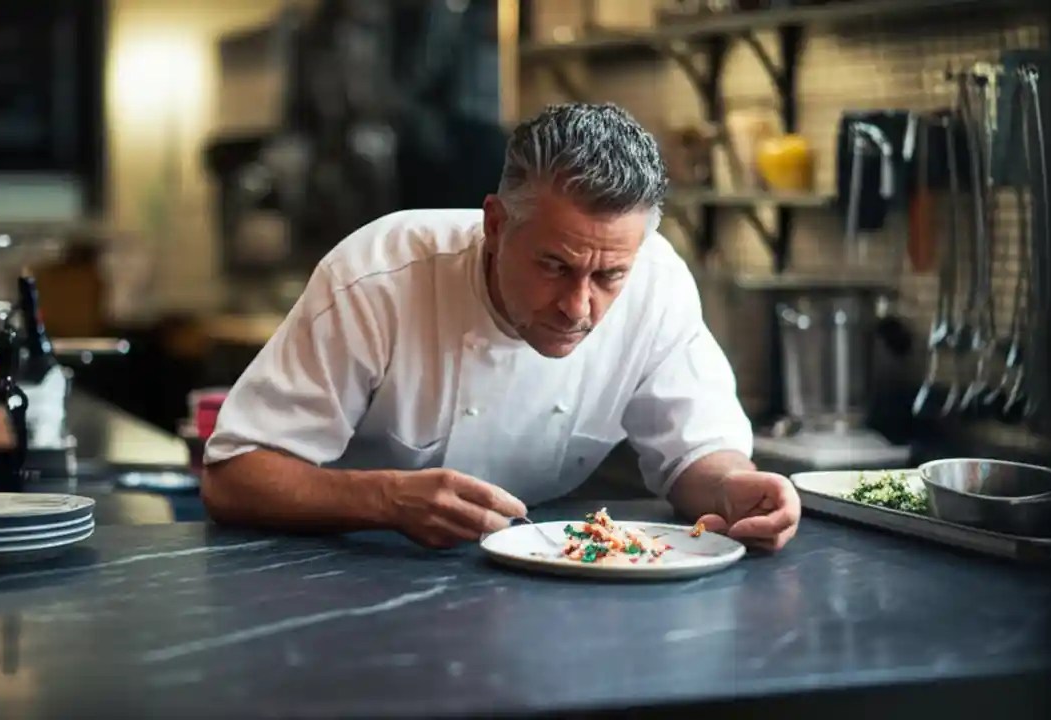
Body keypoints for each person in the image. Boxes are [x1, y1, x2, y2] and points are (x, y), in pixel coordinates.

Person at [201, 103, 801, 552]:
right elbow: (233, 477)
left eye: (608, 275)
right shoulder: (379, 276)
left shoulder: (658, 282)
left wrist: (734, 491)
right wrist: (385, 499)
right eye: (553, 266)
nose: (578, 307)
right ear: (494, 224)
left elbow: (695, 453)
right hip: (346, 567)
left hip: (543, 577)